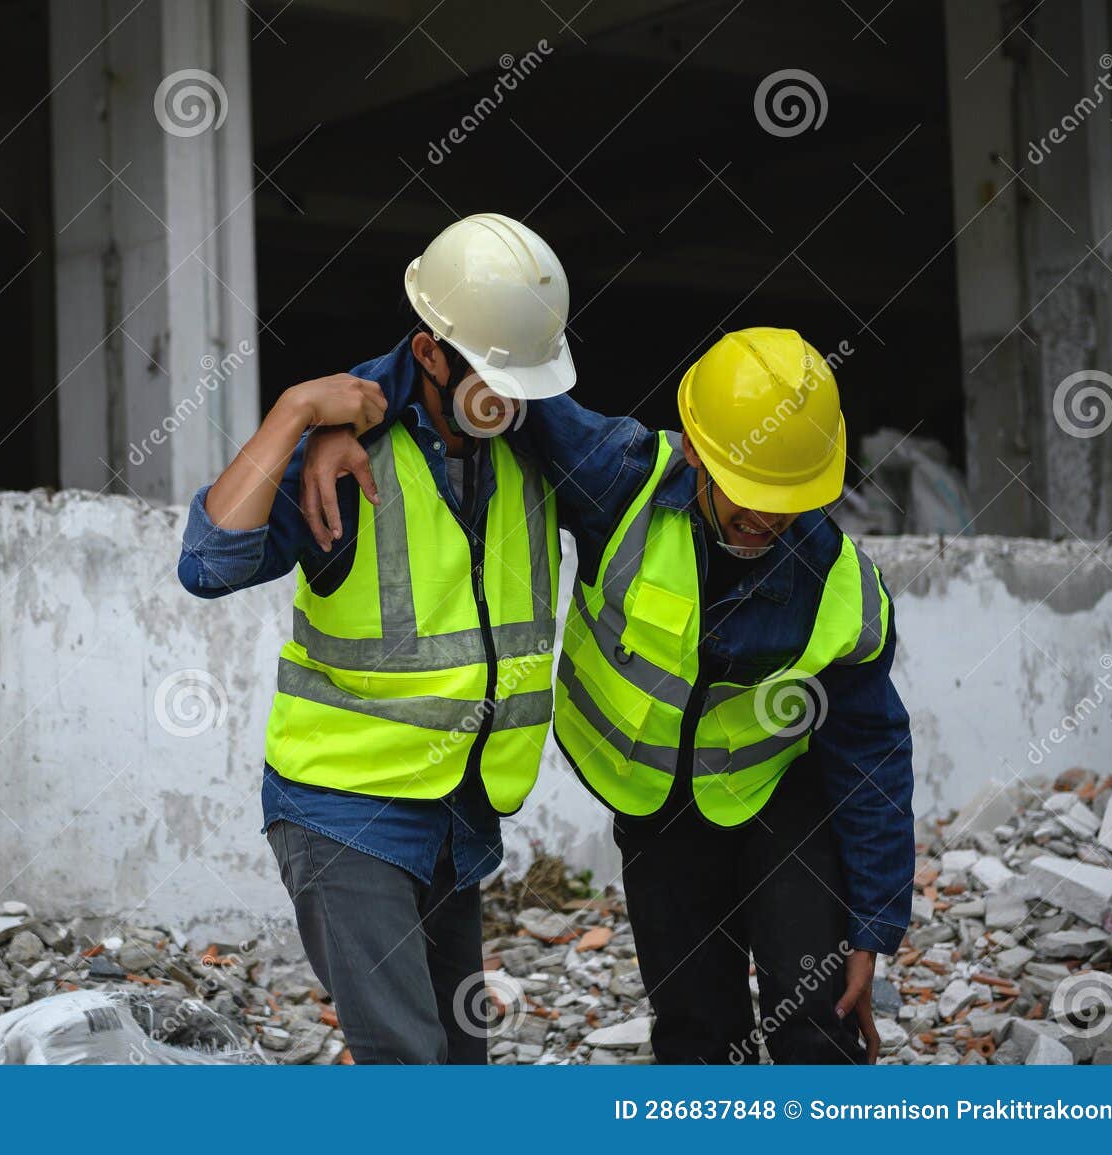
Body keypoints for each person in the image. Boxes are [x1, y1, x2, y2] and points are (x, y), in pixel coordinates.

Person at [300, 327, 914, 1064]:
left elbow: (873, 757)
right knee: (694, 1030)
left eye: (785, 500)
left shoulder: (838, 588)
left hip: (780, 794)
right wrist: (344, 417)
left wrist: (875, 926)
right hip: (656, 807)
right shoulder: (619, 478)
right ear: (695, 451)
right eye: (748, 493)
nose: (765, 519)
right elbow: (488, 368)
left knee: (815, 1018)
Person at [176, 213, 576, 1063]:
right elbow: (208, 562)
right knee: (405, 1061)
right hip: (343, 811)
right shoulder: (350, 453)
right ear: (428, 352)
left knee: (460, 1063)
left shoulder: (530, 439)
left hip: (455, 814)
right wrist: (295, 413)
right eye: (489, 372)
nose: (506, 399)